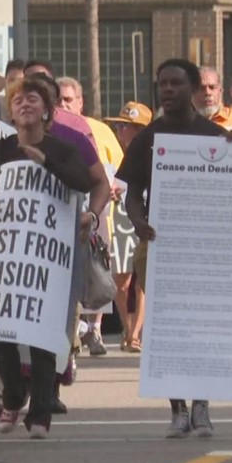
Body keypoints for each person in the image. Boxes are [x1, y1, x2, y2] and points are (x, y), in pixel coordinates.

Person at [116, 58, 229, 439]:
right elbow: (132, 193)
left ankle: (202, 406)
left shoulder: (214, 137)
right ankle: (177, 408)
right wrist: (138, 220)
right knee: (166, 328)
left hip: (204, 250)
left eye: (176, 83)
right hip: (160, 246)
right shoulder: (148, 137)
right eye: (162, 83)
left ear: (194, 88)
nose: (167, 90)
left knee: (203, 327)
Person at [0, 77, 94, 439]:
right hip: (7, 255)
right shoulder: (1, 148)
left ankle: (39, 414)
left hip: (48, 258)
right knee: (0, 334)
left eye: (32, 100)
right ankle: (13, 394)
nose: (24, 106)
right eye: (18, 100)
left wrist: (44, 160)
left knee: (42, 335)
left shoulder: (63, 149)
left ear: (48, 110)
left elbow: (82, 182)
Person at [56, 77, 124, 356]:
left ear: (81, 102)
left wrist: (113, 190)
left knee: (95, 274)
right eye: (58, 99)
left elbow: (117, 171)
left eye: (68, 100)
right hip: (63, 216)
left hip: (97, 214)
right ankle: (72, 336)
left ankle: (93, 328)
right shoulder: (46, 132)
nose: (63, 104)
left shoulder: (98, 131)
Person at [102, 102, 153, 353]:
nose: (121, 131)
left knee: (142, 278)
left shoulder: (152, 151)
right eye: (120, 126)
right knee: (120, 278)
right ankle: (127, 324)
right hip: (117, 217)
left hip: (144, 217)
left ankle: (135, 334)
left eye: (127, 127)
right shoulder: (114, 149)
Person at [194, 67, 232, 135]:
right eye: (201, 88)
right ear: (192, 91)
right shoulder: (183, 121)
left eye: (212, 87)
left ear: (220, 90)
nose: (208, 93)